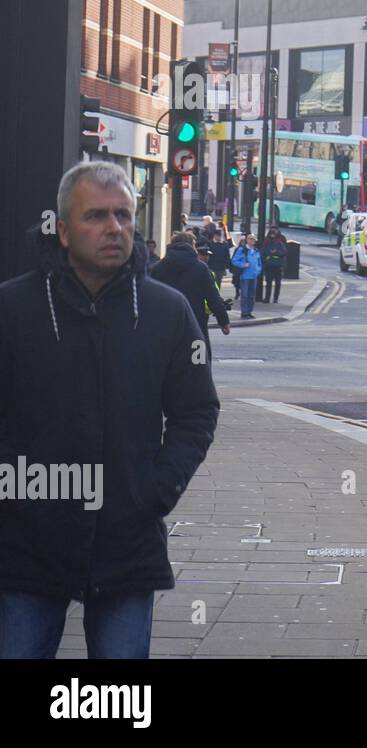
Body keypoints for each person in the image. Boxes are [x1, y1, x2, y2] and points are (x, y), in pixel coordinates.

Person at [0, 161, 219, 658]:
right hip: (27, 544)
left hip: (127, 541)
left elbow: (197, 411)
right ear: (61, 230)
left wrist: (156, 488)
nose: (114, 228)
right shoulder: (13, 309)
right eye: (96, 216)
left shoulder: (167, 311)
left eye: (123, 215)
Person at [151, 231, 231, 360]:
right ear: (190, 246)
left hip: (165, 327)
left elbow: (149, 298)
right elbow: (213, 297)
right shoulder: (201, 269)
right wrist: (223, 321)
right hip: (195, 325)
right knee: (198, 365)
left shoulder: (157, 268)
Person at [230, 233, 263, 320]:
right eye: (250, 239)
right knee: (244, 295)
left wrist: (258, 270)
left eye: (253, 239)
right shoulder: (242, 250)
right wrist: (243, 265)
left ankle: (249, 312)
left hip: (253, 276)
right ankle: (244, 312)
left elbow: (259, 263)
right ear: (247, 240)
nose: (252, 240)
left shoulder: (256, 251)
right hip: (245, 276)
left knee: (251, 295)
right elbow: (234, 261)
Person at [262, 228, 288, 304]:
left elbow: (284, 252)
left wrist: (275, 252)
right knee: (268, 283)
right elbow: (263, 252)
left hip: (278, 265)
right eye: (271, 233)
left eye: (274, 233)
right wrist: (269, 255)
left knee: (277, 283)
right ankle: (267, 298)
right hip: (269, 265)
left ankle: (275, 298)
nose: (272, 235)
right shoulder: (266, 241)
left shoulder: (280, 241)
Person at [208, 226, 231, 291]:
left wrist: (228, 266)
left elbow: (227, 256)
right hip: (211, 267)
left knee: (218, 282)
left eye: (221, 236)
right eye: (218, 236)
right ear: (214, 236)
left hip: (220, 267)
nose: (219, 237)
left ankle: (217, 295)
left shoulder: (225, 244)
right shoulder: (210, 244)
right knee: (211, 282)